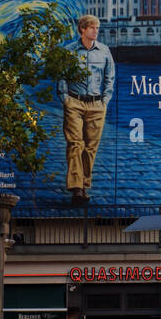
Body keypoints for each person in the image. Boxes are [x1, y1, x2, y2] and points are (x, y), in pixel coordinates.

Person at [57, 13, 114, 206]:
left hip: (97, 105)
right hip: (74, 102)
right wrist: (64, 98)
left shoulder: (104, 51)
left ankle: (84, 183)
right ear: (82, 29)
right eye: (92, 28)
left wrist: (105, 100)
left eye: (97, 28)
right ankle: (77, 188)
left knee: (90, 147)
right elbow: (62, 76)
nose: (96, 31)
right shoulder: (69, 51)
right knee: (75, 144)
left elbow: (110, 77)